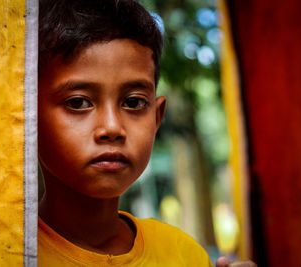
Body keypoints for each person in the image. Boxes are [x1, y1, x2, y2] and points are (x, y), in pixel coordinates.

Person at [37, 0, 257, 266]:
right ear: (26, 117)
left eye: (133, 102)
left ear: (157, 116)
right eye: (78, 103)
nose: (112, 128)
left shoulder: (183, 255)